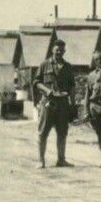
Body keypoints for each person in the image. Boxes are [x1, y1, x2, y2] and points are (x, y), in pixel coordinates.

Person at [35, 38, 76, 169]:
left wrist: (72, 105)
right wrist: (47, 91)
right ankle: (41, 161)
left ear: (64, 51)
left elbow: (72, 87)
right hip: (48, 103)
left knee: (62, 132)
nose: (59, 52)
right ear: (52, 50)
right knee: (43, 132)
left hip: (63, 104)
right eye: (57, 50)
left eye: (61, 50)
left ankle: (61, 160)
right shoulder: (44, 64)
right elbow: (36, 82)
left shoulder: (68, 67)